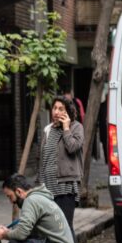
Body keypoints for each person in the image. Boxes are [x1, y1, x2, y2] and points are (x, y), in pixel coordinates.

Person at [40, 95, 83, 235]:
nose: (56, 112)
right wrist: (40, 185)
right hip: (48, 187)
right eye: (54, 108)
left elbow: (72, 147)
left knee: (65, 227)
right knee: (51, 228)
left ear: (68, 112)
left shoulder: (76, 127)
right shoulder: (47, 129)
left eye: (60, 109)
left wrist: (66, 128)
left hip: (65, 186)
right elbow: (43, 159)